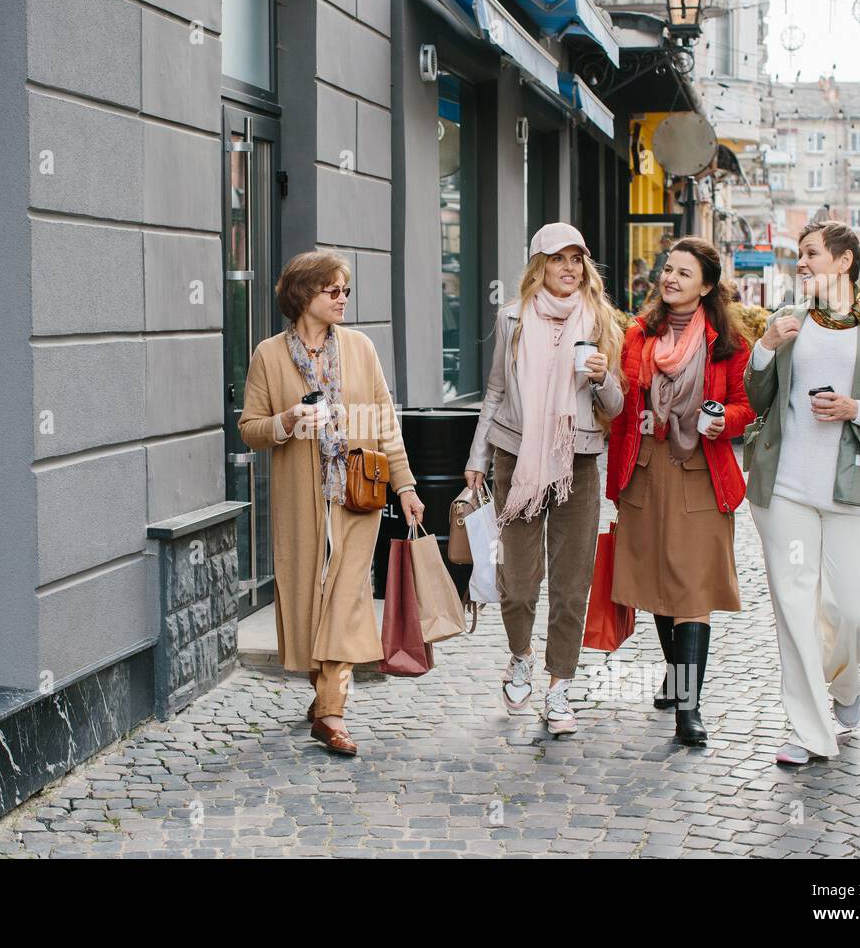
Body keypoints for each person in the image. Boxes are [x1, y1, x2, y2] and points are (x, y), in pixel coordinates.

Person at [745, 220, 860, 766]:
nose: (801, 263)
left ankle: (843, 687)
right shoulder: (787, 321)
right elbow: (758, 398)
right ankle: (807, 730)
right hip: (787, 490)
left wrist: (857, 410)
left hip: (856, 489)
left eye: (811, 254)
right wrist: (763, 350)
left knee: (857, 611)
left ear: (844, 261)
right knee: (795, 607)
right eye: (800, 255)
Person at [238, 250, 424, 757]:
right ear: (303, 295)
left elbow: (385, 421)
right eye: (332, 291)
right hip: (301, 502)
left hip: (356, 495)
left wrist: (405, 487)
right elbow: (250, 429)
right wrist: (289, 421)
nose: (343, 299)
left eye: (346, 291)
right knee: (307, 600)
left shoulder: (360, 348)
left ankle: (332, 714)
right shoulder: (269, 356)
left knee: (345, 600)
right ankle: (323, 699)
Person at [463, 223, 625, 735]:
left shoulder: (599, 319)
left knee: (573, 582)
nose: (570, 268)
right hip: (518, 457)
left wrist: (602, 379)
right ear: (539, 265)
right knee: (518, 580)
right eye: (559, 259)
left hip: (578, 458)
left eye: (577, 259)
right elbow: (493, 391)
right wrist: (477, 457)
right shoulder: (511, 319)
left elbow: (616, 408)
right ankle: (520, 656)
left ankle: (559, 687)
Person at [606, 237, 755, 746]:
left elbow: (745, 406)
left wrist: (721, 423)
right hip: (645, 470)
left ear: (707, 286)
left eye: (683, 273)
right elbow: (621, 406)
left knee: (690, 589)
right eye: (668, 269)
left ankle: (688, 710)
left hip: (700, 472)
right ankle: (676, 674)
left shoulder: (728, 345)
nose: (670, 279)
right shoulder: (637, 336)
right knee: (656, 585)